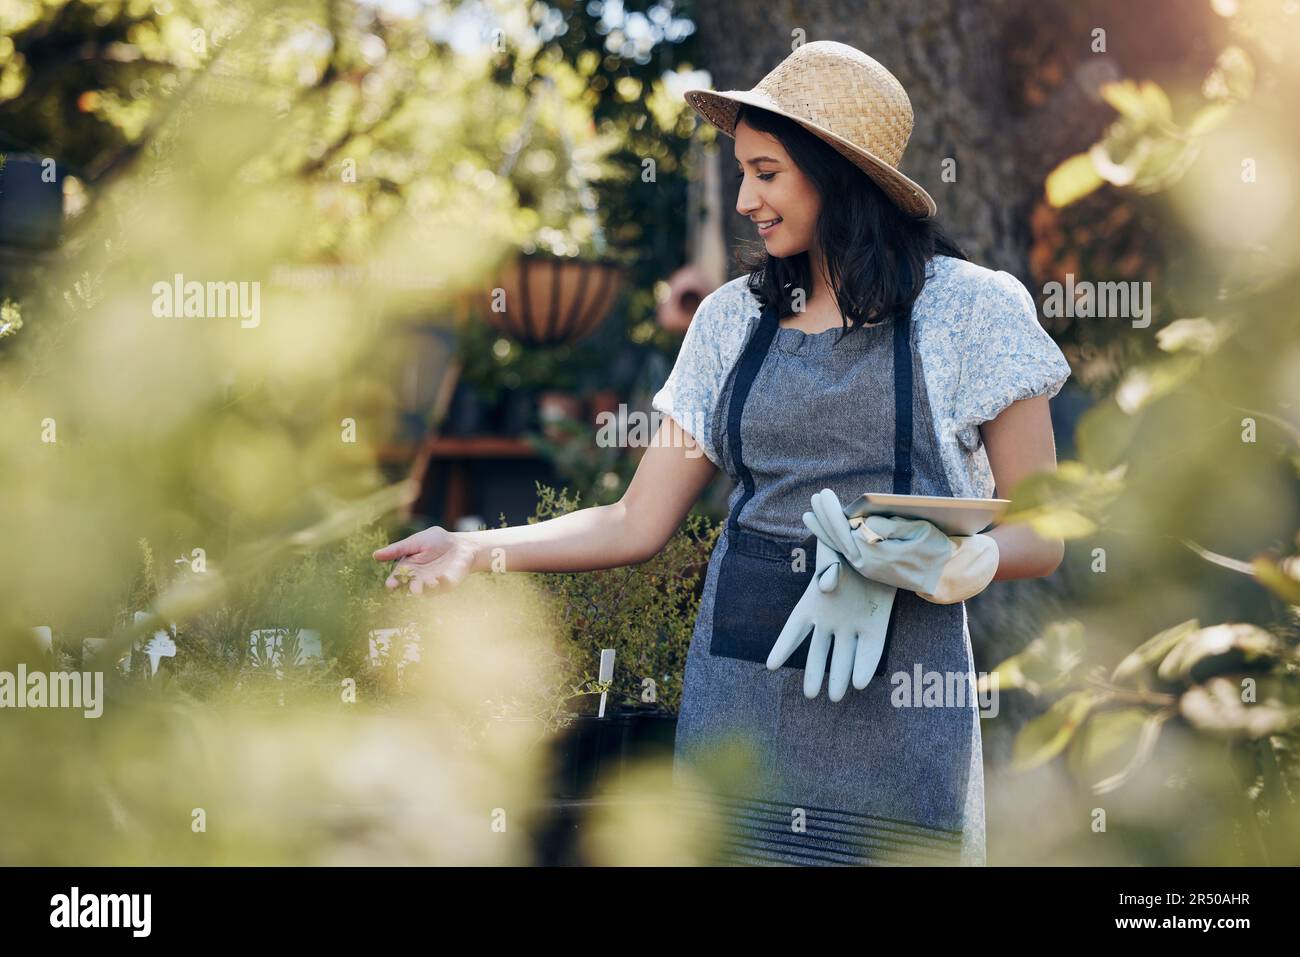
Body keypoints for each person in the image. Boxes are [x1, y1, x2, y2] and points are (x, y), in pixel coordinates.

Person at [373, 41, 1071, 866]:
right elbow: (635, 519)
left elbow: (1048, 530)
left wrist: (972, 559)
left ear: (837, 174)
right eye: (742, 172)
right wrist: (475, 547)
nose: (745, 200)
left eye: (767, 173)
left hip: (903, 702)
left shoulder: (975, 312)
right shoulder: (731, 320)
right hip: (743, 694)